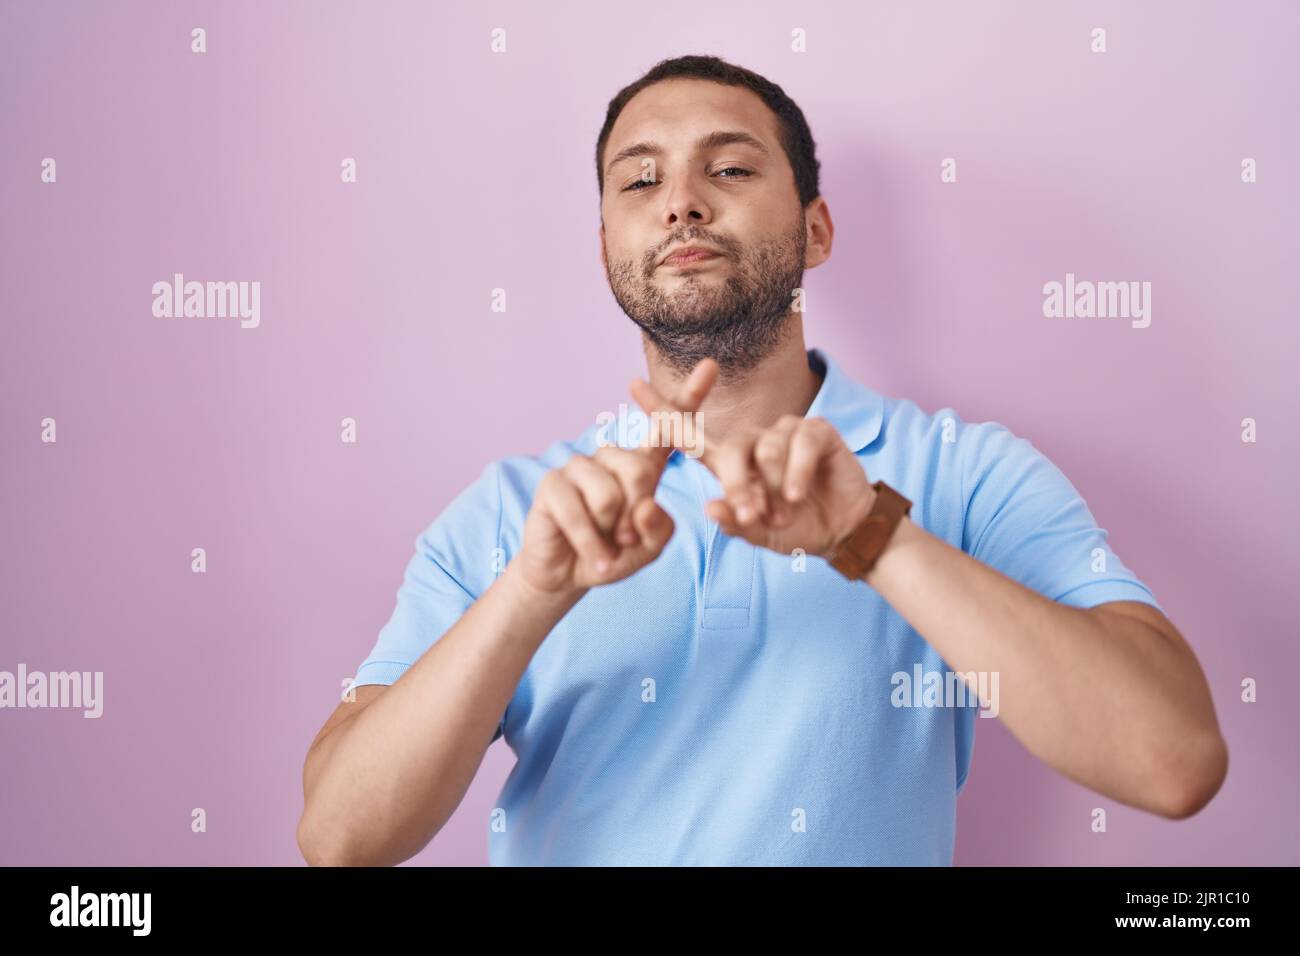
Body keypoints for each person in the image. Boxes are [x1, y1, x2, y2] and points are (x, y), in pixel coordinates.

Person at [296, 54, 1227, 866]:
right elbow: (340, 837)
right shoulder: (512, 514)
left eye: (730, 167)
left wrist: (875, 537)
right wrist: (534, 592)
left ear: (816, 231)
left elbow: (1173, 760)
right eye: (639, 182)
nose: (682, 202)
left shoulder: (969, 476)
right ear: (607, 249)